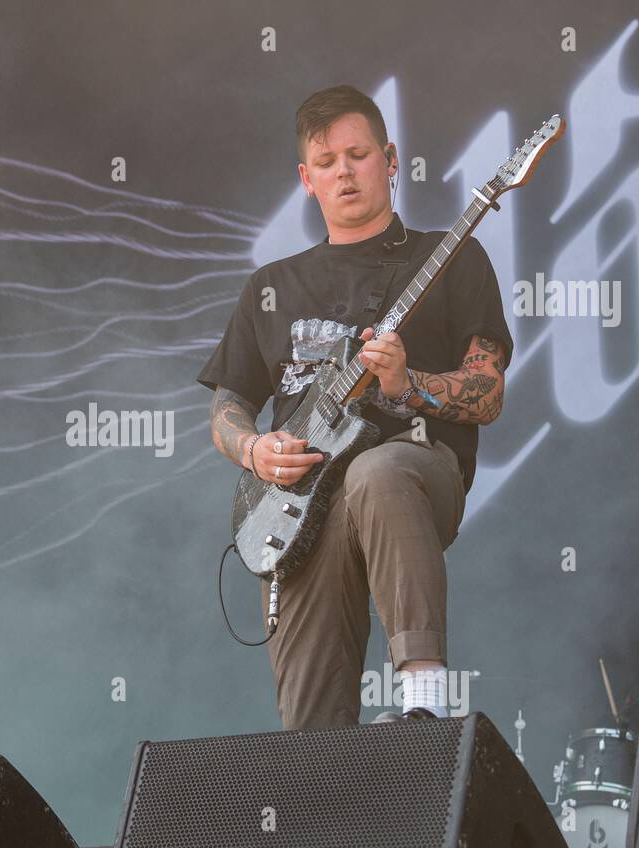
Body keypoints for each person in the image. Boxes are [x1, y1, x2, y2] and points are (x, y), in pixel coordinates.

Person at [197, 84, 513, 728]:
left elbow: (489, 393)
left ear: (391, 160)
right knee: (310, 732)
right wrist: (255, 449)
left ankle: (422, 703)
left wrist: (407, 383)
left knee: (379, 470)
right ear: (306, 179)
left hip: (415, 471)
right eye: (327, 161)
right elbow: (228, 405)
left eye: (359, 154)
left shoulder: (450, 258)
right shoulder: (270, 286)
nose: (344, 170)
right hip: (299, 506)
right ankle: (326, 811)